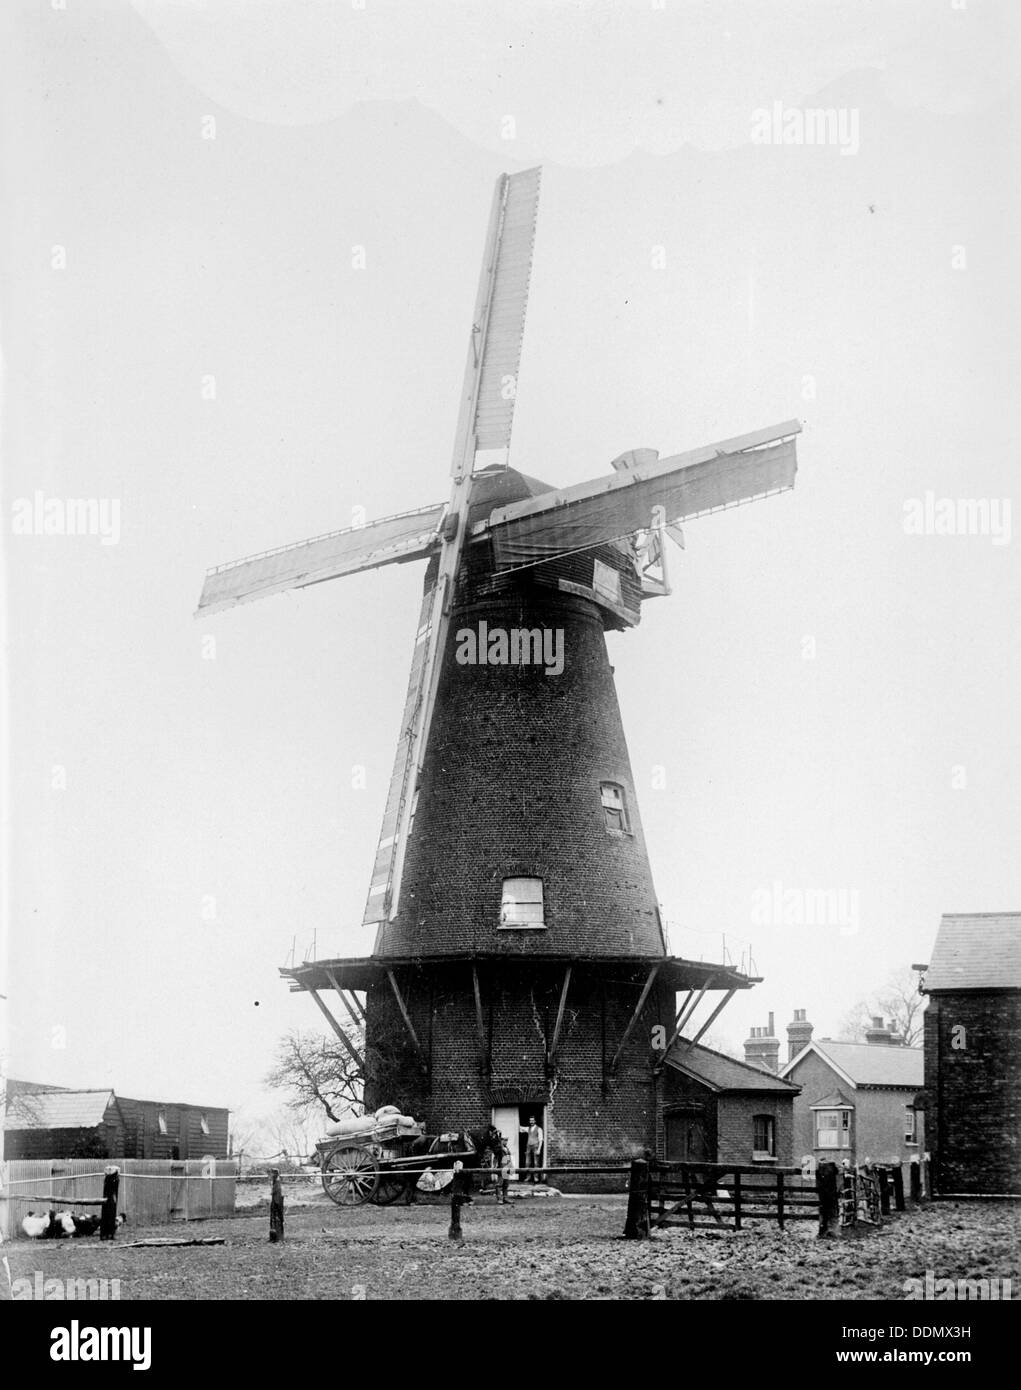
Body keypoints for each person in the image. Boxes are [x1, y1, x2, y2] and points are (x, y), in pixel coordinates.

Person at [520, 1116, 544, 1184]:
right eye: (530, 1120)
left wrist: (539, 1149)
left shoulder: (539, 1129)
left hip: (536, 1146)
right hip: (528, 1146)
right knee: (527, 1162)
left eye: (532, 1120)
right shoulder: (528, 1128)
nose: (531, 1122)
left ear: (535, 1121)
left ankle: (536, 1177)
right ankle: (528, 1177)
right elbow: (521, 1128)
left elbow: (541, 1140)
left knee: (536, 1162)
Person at [496, 1138, 514, 1204]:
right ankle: (499, 1198)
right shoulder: (499, 1149)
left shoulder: (507, 1149)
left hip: (507, 1167)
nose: (506, 1142)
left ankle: (505, 1198)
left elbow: (508, 1158)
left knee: (506, 1184)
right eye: (504, 1140)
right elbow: (497, 1154)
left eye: (506, 1140)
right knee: (499, 1184)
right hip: (501, 1167)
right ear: (501, 1141)